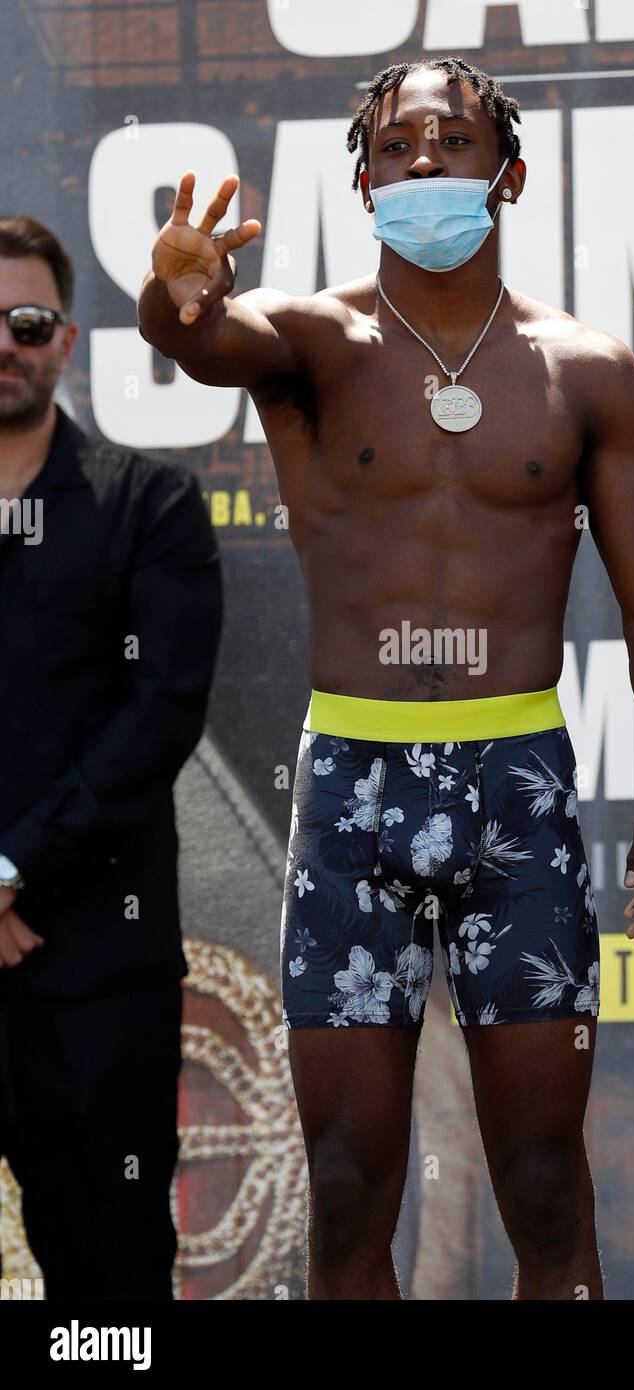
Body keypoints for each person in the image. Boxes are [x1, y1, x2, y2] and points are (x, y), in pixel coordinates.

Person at [137, 55, 634, 1301]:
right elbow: (196, 339)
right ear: (362, 181)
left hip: (517, 783)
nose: (423, 167)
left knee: (545, 1181)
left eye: (451, 144)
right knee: (346, 1180)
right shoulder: (312, 343)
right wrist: (169, 295)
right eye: (397, 149)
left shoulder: (584, 370)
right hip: (354, 785)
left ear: (505, 173)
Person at [0, 216, 223, 1299]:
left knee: (110, 1284)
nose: (5, 341)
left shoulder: (149, 508)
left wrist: (9, 870)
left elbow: (157, 717)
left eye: (27, 320)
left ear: (67, 341)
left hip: (93, 969)